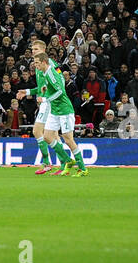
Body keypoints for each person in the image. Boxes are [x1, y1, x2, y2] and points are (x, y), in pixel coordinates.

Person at [17, 40, 86, 176]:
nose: (33, 52)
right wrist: (28, 92)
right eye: (32, 49)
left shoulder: (50, 66)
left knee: (39, 131)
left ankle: (50, 163)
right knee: (52, 135)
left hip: (51, 102)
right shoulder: (39, 67)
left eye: (36, 49)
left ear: (43, 50)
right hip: (47, 101)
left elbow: (58, 86)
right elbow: (42, 87)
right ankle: (64, 163)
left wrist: (45, 98)